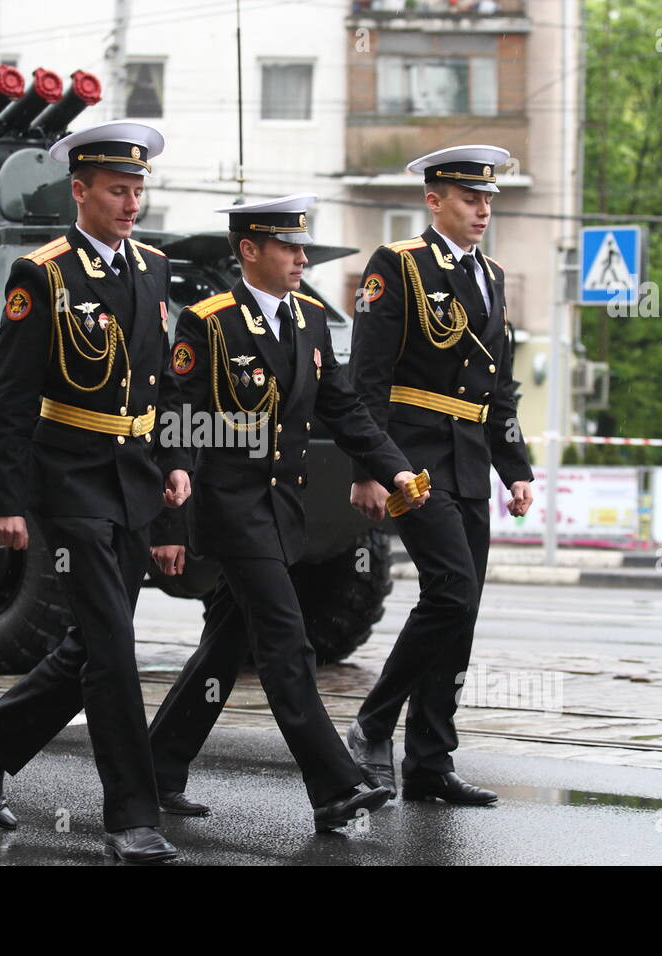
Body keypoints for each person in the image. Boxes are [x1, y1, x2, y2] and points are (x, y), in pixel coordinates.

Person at [147, 194, 428, 832]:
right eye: (287, 246)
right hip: (229, 509)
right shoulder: (208, 322)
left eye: (303, 245)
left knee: (226, 644)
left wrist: (395, 469)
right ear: (249, 251)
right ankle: (334, 786)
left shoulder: (309, 319)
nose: (303, 256)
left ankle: (156, 767)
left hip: (280, 508)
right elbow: (180, 416)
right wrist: (177, 487)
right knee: (285, 641)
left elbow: (346, 411)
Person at [0, 121, 183, 863]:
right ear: (78, 191)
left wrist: (174, 458)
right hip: (71, 480)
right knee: (114, 649)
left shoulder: (153, 268)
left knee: (91, 643)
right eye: (117, 189)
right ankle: (132, 817)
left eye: (138, 189)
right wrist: (6, 502)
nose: (131, 203)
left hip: (135, 481)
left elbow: (162, 379)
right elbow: (8, 399)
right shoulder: (42, 274)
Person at [345, 145, 534, 805]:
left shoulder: (493, 275)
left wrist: (516, 467)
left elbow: (497, 387)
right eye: (469, 198)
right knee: (450, 590)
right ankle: (371, 723)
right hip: (410, 461)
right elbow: (366, 377)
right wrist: (370, 467)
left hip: (470, 460)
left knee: (464, 609)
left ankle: (429, 761)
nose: (483, 210)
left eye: (488, 200)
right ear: (434, 201)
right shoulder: (396, 267)